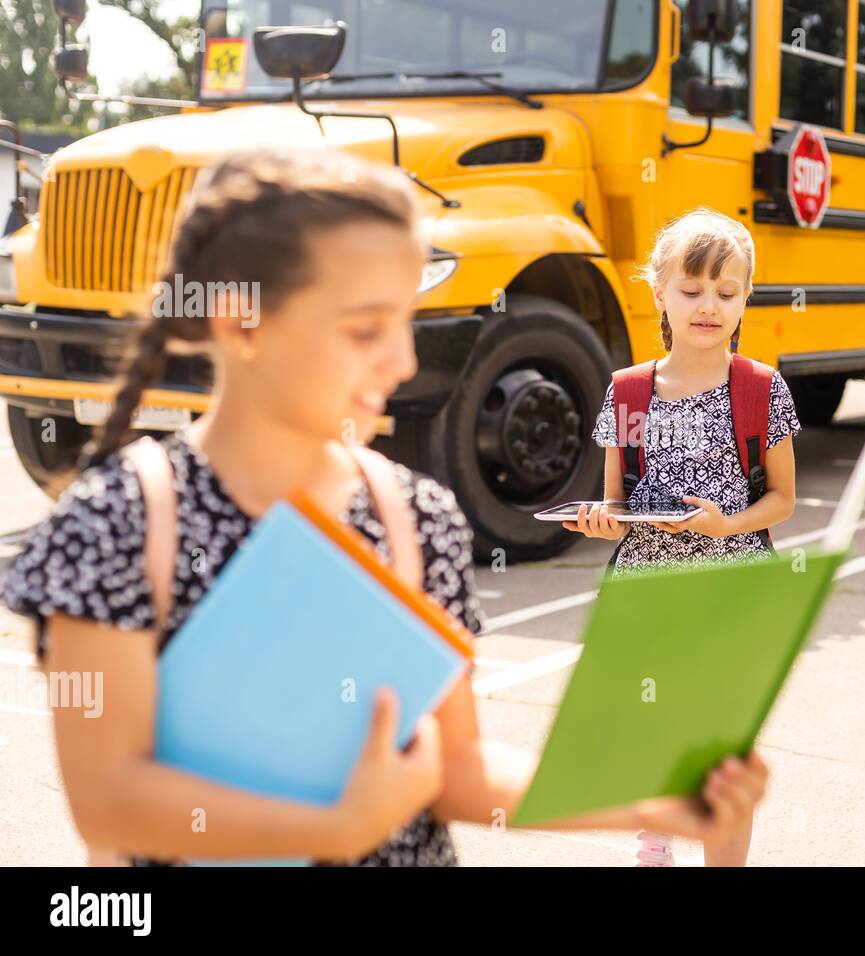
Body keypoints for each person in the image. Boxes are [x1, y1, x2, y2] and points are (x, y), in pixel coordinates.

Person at [0, 152, 768, 866]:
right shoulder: (123, 523)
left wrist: (661, 800)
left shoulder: (416, 514)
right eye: (365, 328)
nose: (401, 361)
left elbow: (456, 770)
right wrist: (331, 827)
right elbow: (109, 804)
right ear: (240, 322)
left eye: (405, 321)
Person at [566, 207, 801, 866]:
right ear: (660, 293)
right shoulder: (627, 392)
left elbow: (782, 498)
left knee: (723, 761)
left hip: (733, 595)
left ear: (745, 299)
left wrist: (729, 522)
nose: (708, 306)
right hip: (648, 594)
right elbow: (615, 503)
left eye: (726, 293)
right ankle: (655, 840)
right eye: (691, 290)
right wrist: (599, 521)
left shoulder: (761, 389)